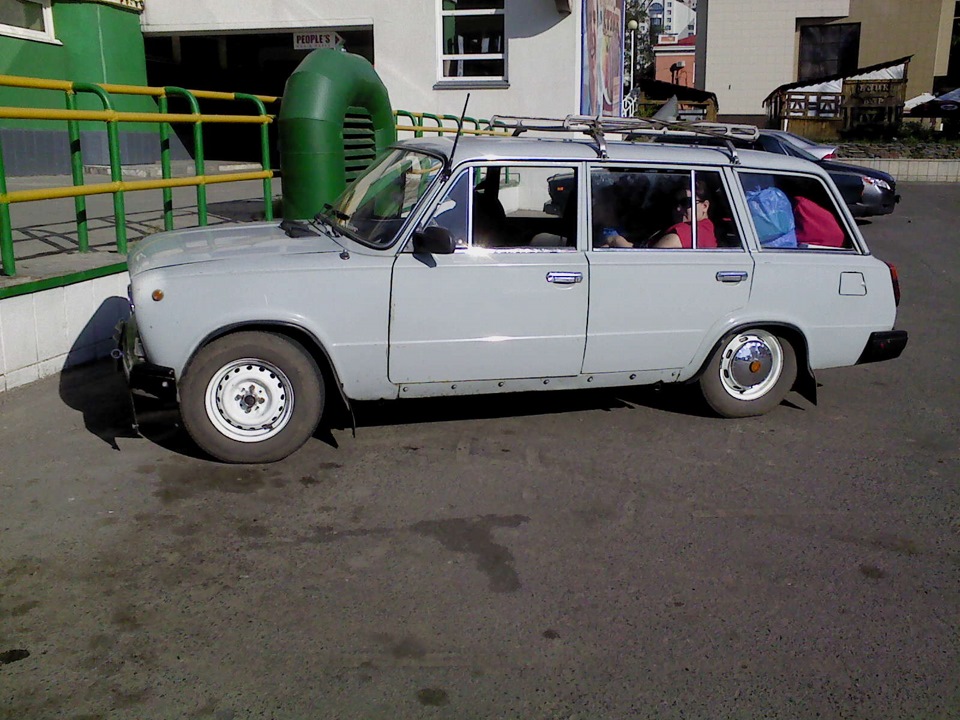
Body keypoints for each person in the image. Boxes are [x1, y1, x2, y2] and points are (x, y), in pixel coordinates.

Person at [653, 180, 717, 249]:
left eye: (685, 202)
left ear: (705, 206)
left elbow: (651, 258)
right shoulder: (706, 230)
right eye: (675, 202)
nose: (678, 208)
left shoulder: (689, 232)